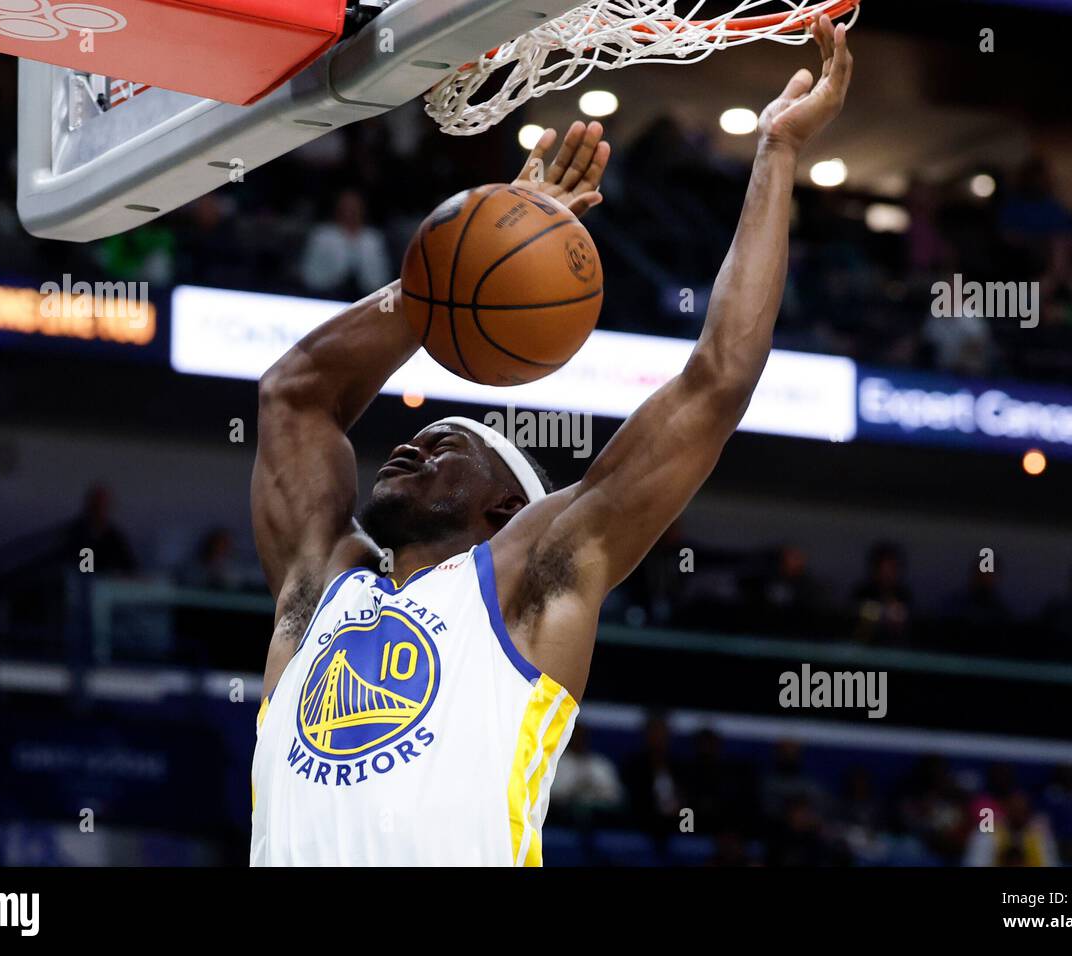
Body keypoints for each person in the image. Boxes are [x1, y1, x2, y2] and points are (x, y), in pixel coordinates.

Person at [248, 16, 854, 866]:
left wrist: (777, 155)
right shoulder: (321, 590)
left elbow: (716, 383)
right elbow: (294, 396)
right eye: (420, 438)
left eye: (448, 442)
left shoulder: (527, 583)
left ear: (506, 505)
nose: (412, 447)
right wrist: (448, 278)